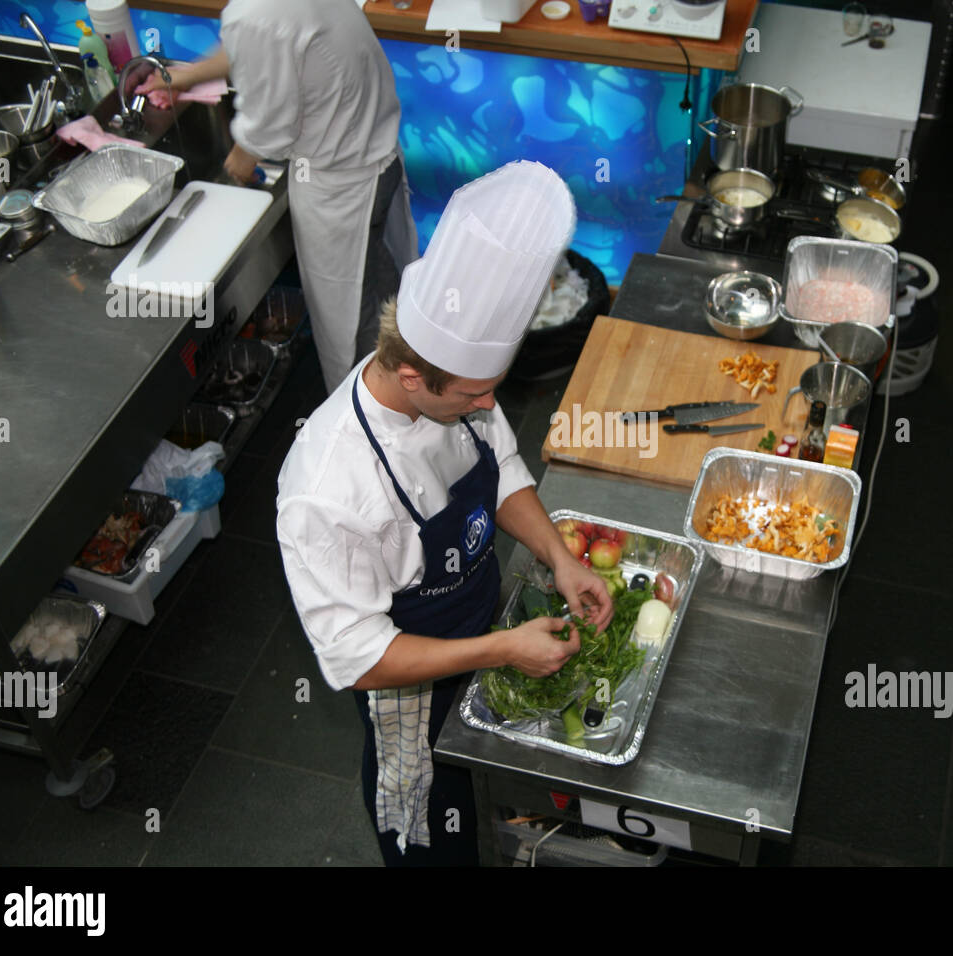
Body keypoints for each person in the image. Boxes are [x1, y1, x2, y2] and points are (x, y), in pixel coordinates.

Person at [275, 161, 611, 866]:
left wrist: (559, 556)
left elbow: (502, 473)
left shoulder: (457, 395)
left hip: (485, 626)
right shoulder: (327, 490)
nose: (490, 408)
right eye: (472, 395)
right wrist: (499, 650)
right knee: (433, 824)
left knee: (496, 800)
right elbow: (360, 656)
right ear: (408, 374)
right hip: (412, 681)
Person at [138, 0, 418, 393]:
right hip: (374, 156)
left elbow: (271, 125)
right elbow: (267, 43)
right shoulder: (258, 12)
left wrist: (237, 163)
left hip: (344, 185)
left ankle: (371, 425)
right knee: (383, 295)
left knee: (355, 328)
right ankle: (403, 402)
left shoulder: (251, 16)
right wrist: (190, 77)